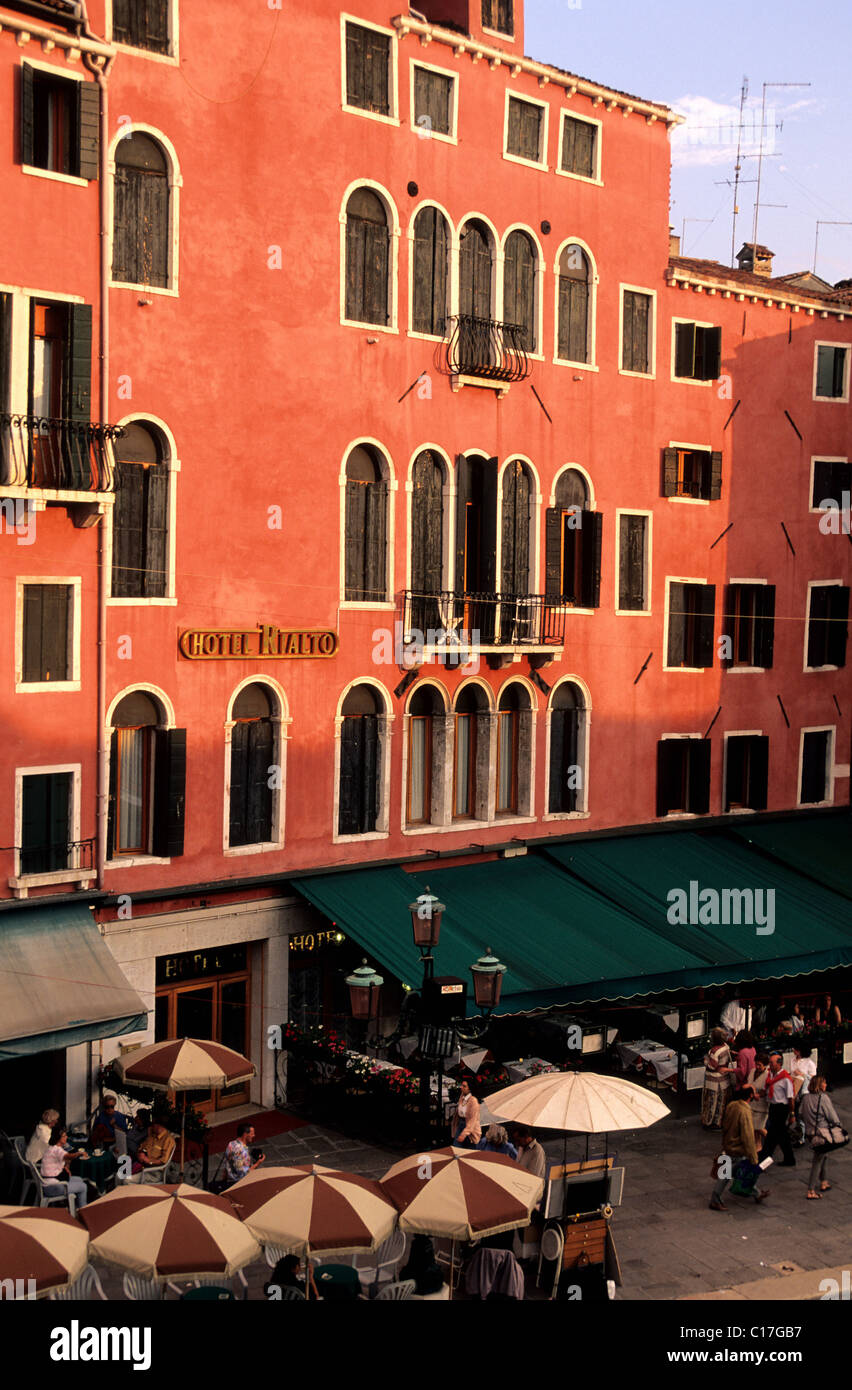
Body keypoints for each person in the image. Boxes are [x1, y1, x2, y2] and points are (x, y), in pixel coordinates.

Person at [709, 1086, 769, 1211]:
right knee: (732, 1173)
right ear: (750, 1095)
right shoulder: (744, 1111)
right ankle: (715, 1199)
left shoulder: (732, 1106)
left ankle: (757, 1193)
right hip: (737, 1149)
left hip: (728, 1145)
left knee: (734, 1172)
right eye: (754, 1092)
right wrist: (753, 1157)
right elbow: (748, 1136)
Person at [800, 1075, 845, 1200]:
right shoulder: (823, 1098)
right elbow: (832, 1116)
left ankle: (824, 1181)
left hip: (810, 1133)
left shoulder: (806, 1098)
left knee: (824, 1155)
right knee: (817, 1160)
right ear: (819, 1085)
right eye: (824, 1083)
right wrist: (838, 1126)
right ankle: (811, 1190)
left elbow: (801, 1113)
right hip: (822, 1133)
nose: (826, 1085)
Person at [41, 1124, 89, 1211]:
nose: (66, 1137)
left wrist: (66, 1167)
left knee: (79, 1179)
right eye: (64, 1136)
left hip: (49, 1183)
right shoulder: (57, 1150)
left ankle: (76, 1207)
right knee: (83, 1186)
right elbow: (68, 1156)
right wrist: (79, 1153)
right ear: (58, 1138)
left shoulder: (51, 1148)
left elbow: (64, 1160)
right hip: (52, 1187)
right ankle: (83, 1210)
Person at [760, 1052, 796, 1167]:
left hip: (781, 1108)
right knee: (781, 1135)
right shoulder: (770, 1075)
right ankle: (789, 1159)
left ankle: (764, 1157)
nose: (769, 1065)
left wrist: (792, 1114)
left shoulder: (785, 1078)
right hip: (773, 1106)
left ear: (779, 1064)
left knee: (773, 1134)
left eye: (772, 1063)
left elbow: (791, 1098)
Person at [701, 1028, 735, 1129]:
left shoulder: (714, 1051)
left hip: (713, 1080)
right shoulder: (726, 1046)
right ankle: (719, 1122)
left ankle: (709, 1122)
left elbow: (712, 1066)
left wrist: (705, 1060)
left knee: (711, 1102)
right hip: (724, 1079)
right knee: (721, 1103)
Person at [449, 1078, 481, 1148]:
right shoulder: (462, 1097)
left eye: (464, 1086)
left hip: (470, 1128)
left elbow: (473, 1120)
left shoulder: (473, 1101)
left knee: (469, 1149)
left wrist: (464, 1134)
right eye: (461, 1085)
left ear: (469, 1089)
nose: (461, 1087)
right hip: (461, 1124)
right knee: (456, 1147)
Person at [746, 1053, 771, 1139]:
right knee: (754, 1131)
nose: (757, 1067)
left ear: (765, 1065)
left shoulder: (768, 1074)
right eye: (756, 1064)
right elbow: (749, 1084)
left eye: (759, 1065)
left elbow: (767, 1090)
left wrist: (759, 1094)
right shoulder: (752, 1071)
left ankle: (772, 1141)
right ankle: (758, 1145)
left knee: (758, 1128)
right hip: (750, 1105)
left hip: (761, 1107)